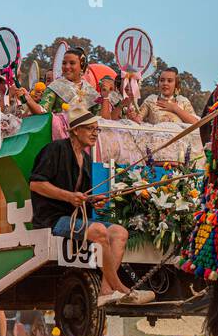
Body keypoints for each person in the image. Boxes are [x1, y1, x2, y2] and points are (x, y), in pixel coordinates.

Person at [28, 107, 151, 306]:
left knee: (119, 232)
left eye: (97, 129)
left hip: (75, 219)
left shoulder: (86, 160)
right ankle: (120, 288)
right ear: (75, 130)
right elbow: (36, 184)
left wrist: (93, 199)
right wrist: (69, 197)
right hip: (53, 220)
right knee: (99, 230)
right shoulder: (55, 149)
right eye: (90, 129)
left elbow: (82, 197)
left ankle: (106, 290)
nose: (95, 133)